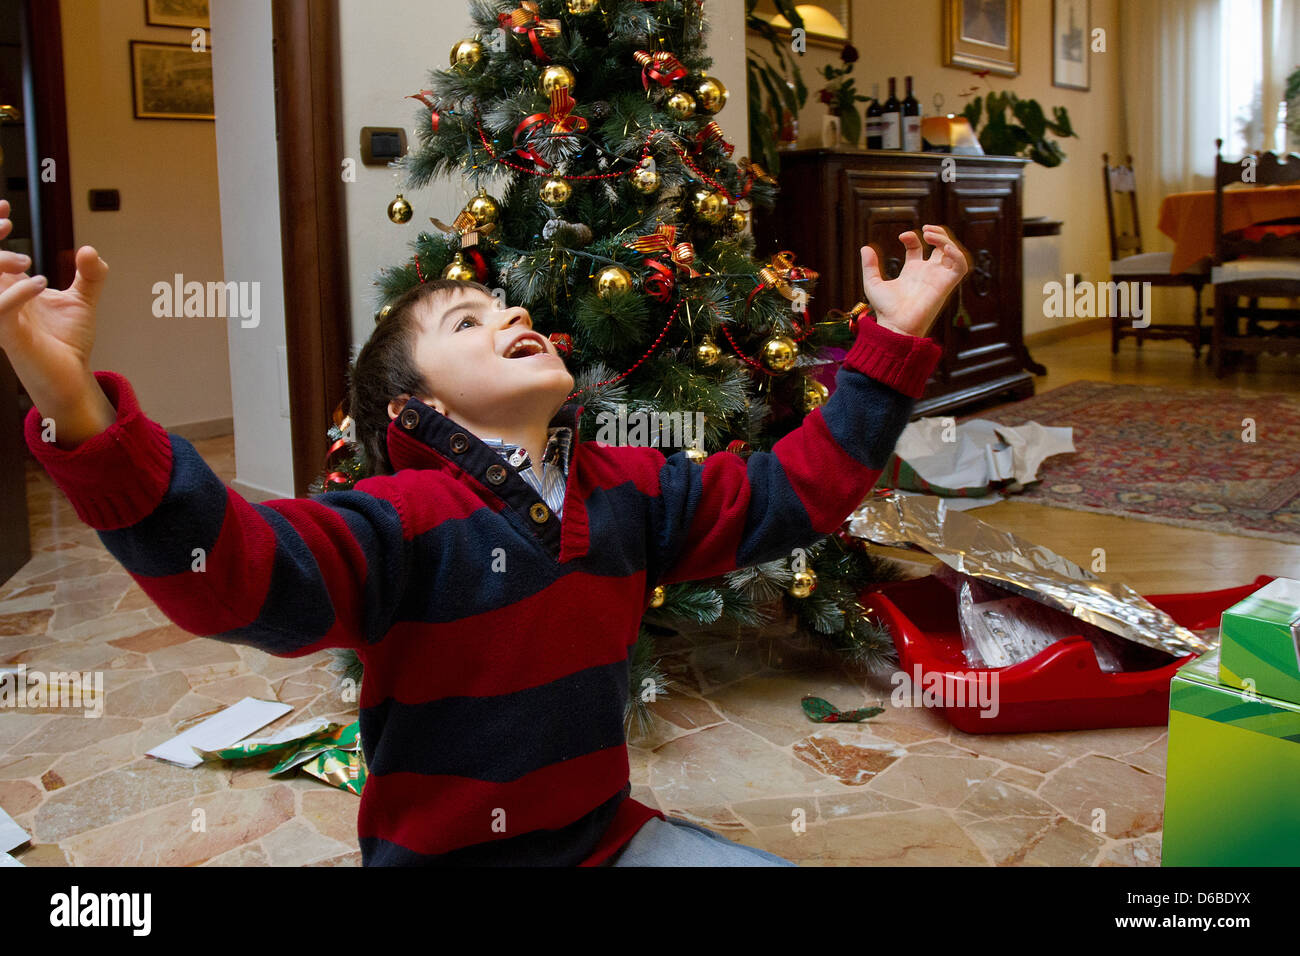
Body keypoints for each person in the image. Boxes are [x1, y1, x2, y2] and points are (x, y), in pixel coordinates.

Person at [0, 194, 968, 865]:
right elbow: (240, 571)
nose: (511, 311)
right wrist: (77, 405)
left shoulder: (631, 490)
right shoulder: (396, 523)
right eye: (466, 321)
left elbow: (796, 489)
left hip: (604, 841)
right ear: (415, 411)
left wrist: (892, 343)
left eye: (502, 303)